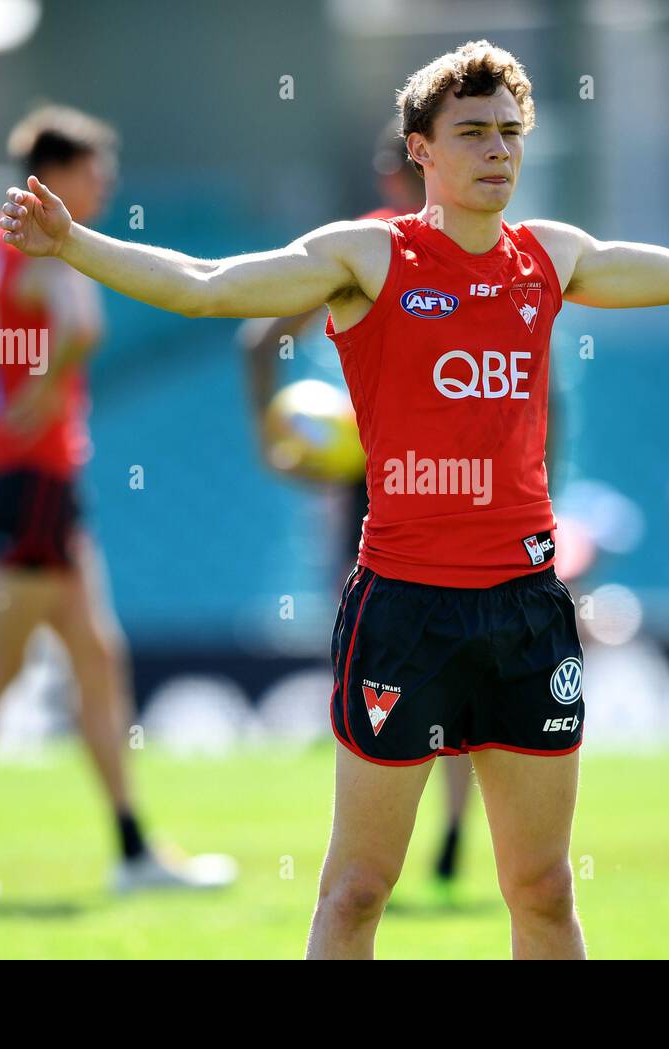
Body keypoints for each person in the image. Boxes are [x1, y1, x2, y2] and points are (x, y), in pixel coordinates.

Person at [0, 40, 669, 958]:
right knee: (357, 889)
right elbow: (210, 287)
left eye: (510, 132)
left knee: (543, 889)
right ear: (422, 150)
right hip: (404, 608)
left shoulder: (549, 256)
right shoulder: (369, 257)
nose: (498, 150)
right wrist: (73, 243)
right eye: (474, 132)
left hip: (528, 612)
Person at [0, 105, 235, 902]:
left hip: (18, 478)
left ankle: (133, 847)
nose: (106, 184)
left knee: (92, 657)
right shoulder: (48, 242)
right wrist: (37, 395)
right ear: (59, 173)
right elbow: (82, 327)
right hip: (33, 478)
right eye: (96, 171)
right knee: (3, 668)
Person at [238, 119, 474, 900]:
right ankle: (423, 837)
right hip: (408, 489)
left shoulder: (469, 247)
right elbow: (256, 333)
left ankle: (416, 841)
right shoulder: (387, 249)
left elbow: (256, 340)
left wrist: (270, 441)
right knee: (444, 665)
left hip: (416, 488)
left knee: (408, 663)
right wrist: (274, 441)